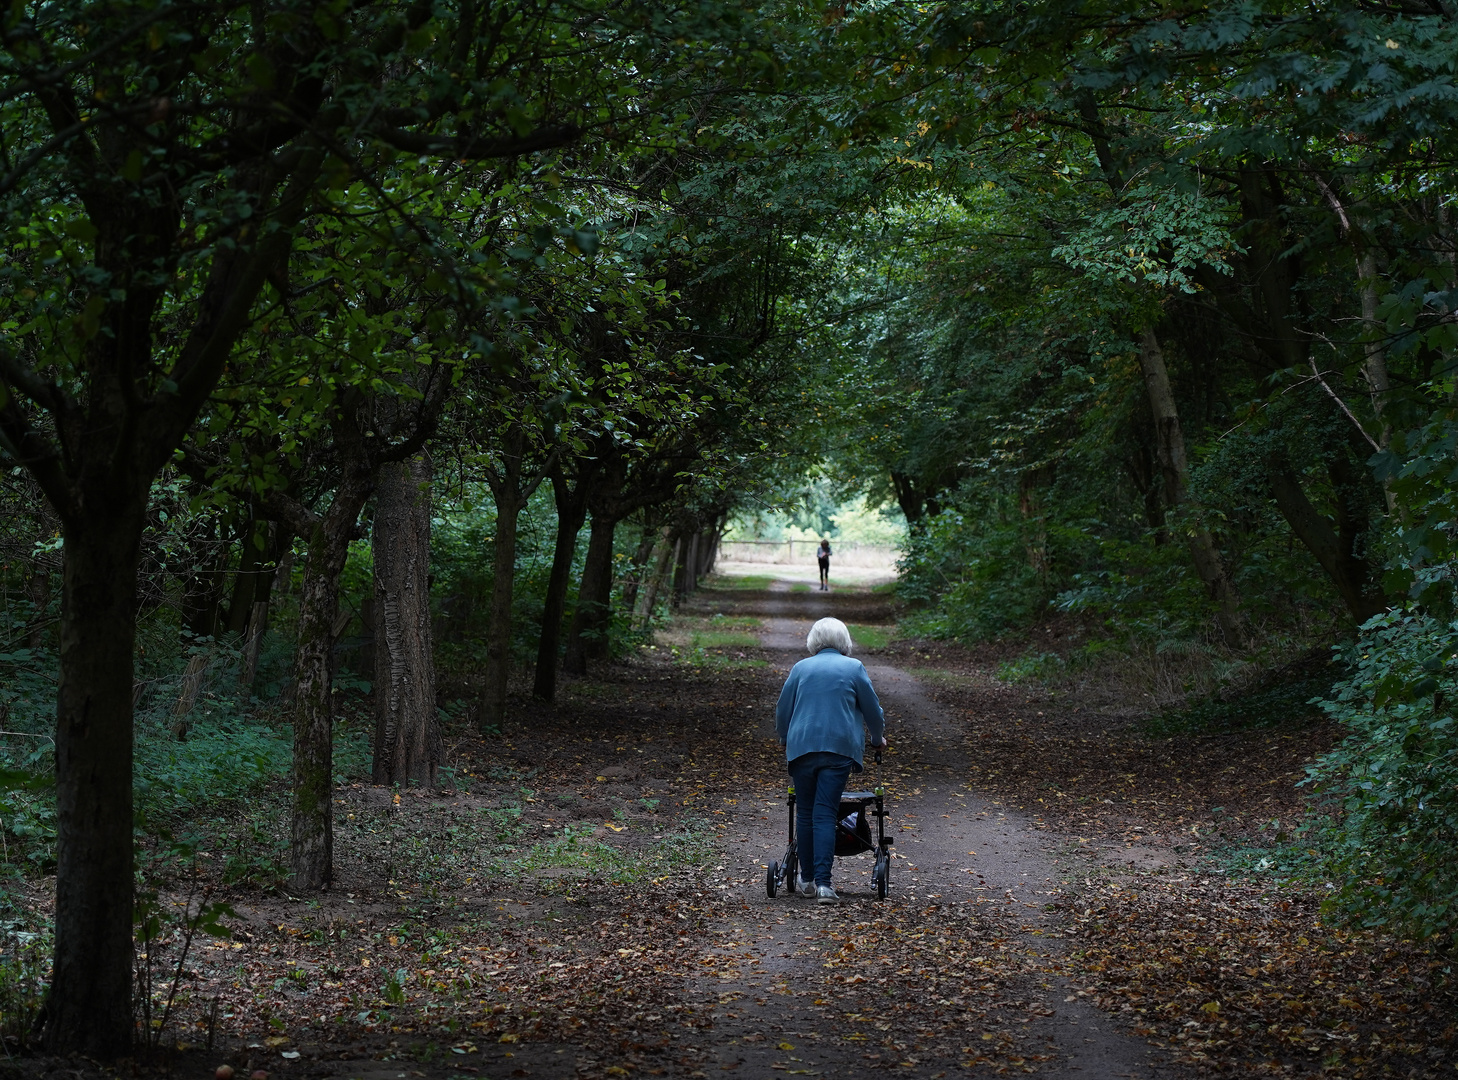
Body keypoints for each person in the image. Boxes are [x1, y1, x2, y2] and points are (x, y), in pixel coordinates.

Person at [774, 617, 888, 904]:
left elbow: (782, 710)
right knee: (825, 812)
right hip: (838, 748)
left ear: (814, 640)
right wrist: (877, 739)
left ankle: (807, 879)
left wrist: (785, 737)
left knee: (806, 812)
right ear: (844, 640)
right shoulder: (854, 668)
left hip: (802, 748)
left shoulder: (800, 668)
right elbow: (873, 711)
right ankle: (825, 885)